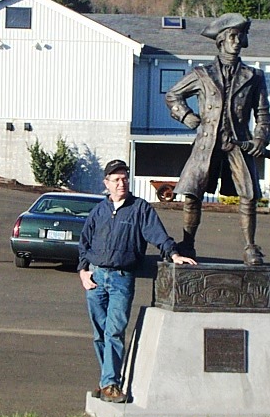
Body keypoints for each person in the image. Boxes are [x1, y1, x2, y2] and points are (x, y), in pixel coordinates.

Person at [78, 159, 197, 403]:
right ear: (106, 184)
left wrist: (174, 254)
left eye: (124, 178)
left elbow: (158, 235)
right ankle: (106, 380)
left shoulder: (140, 209)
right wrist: (83, 271)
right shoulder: (98, 211)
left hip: (122, 279)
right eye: (116, 179)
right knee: (99, 334)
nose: (121, 183)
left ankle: (111, 383)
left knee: (114, 331)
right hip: (96, 279)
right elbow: (84, 244)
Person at [164, 13, 270, 266]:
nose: (237, 41)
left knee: (248, 196)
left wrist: (260, 137)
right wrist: (187, 116)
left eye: (240, 36)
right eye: (232, 36)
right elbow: (173, 95)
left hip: (238, 145)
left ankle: (250, 247)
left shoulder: (254, 76)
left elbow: (263, 113)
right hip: (206, 145)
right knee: (192, 194)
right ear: (221, 40)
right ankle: (188, 243)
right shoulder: (202, 74)